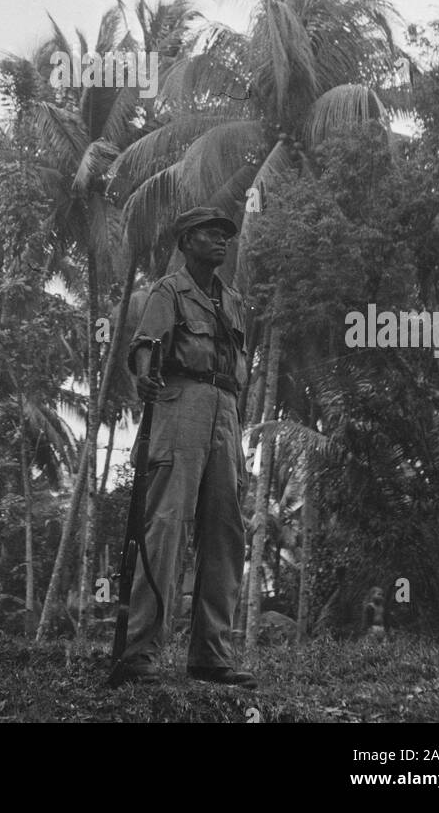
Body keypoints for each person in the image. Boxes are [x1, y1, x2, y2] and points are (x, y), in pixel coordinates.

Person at [117, 207, 255, 686]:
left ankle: (211, 656)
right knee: (167, 526)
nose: (221, 241)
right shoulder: (169, 290)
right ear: (187, 241)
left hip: (226, 412)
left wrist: (238, 423)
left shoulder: (233, 302)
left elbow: (241, 365)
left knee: (226, 531)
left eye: (225, 235)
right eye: (211, 234)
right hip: (181, 403)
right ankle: (139, 651)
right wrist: (143, 376)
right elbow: (144, 344)